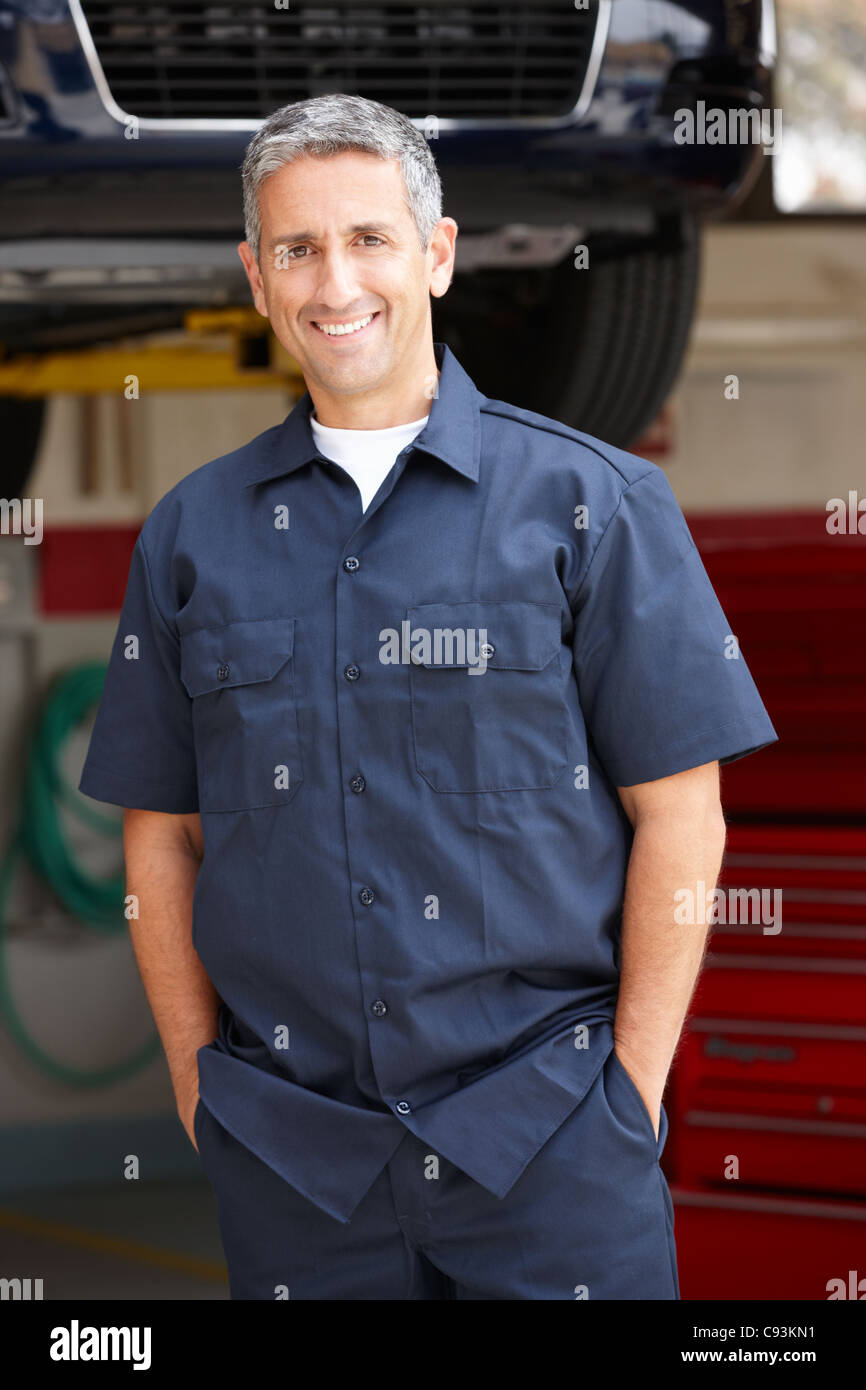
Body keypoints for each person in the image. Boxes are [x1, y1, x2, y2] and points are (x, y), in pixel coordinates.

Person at [78, 93, 778, 1300]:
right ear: (255, 278)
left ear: (437, 254)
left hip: (550, 1155)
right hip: (300, 1174)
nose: (333, 281)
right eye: (296, 249)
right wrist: (201, 1090)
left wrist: (630, 1093)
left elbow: (682, 815)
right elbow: (159, 838)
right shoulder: (190, 537)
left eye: (369, 240)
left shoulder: (592, 506)